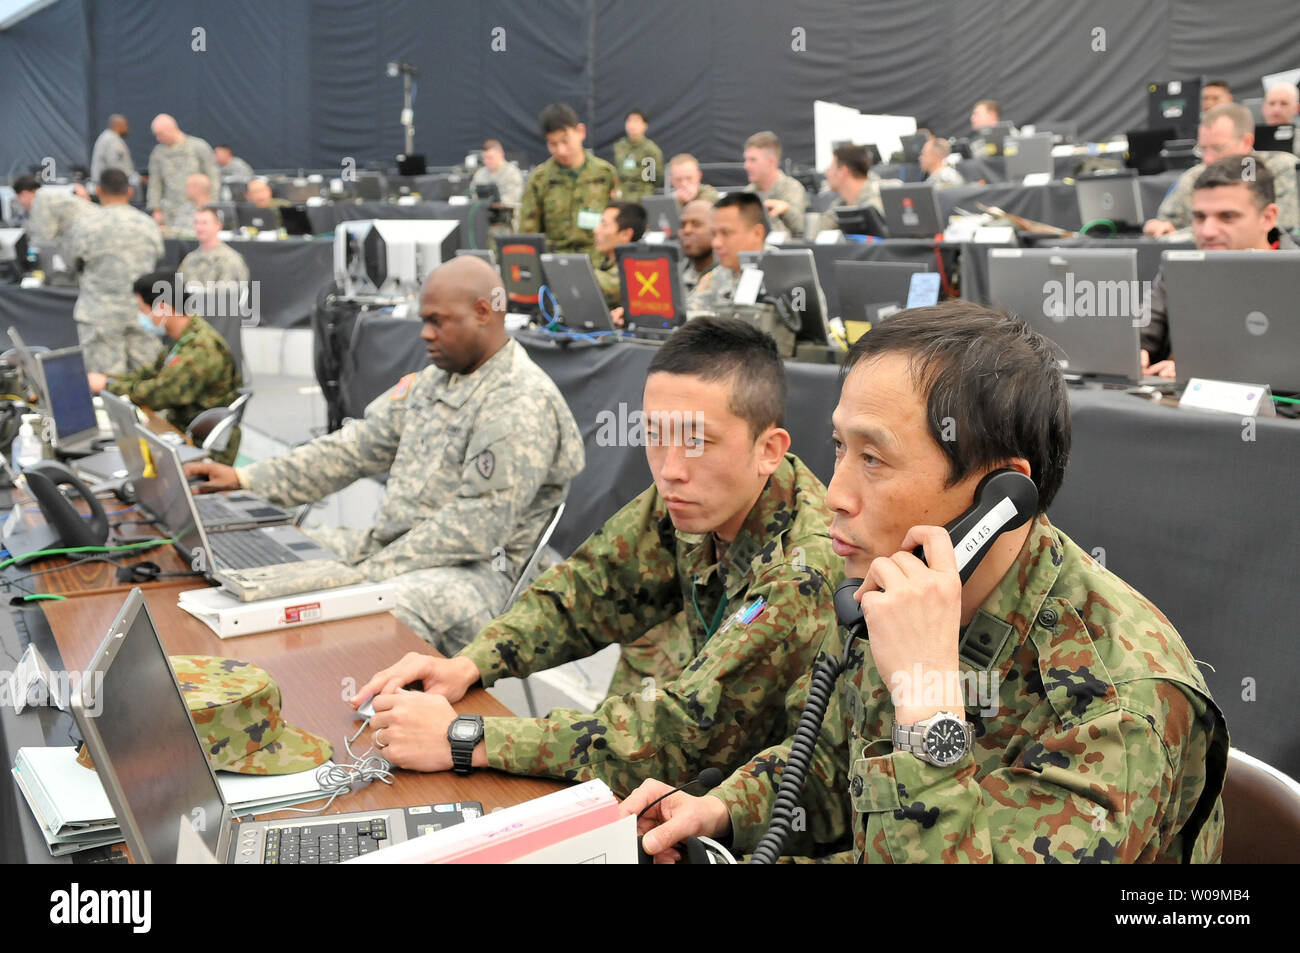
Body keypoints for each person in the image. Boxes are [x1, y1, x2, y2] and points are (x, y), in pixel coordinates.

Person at [627, 302, 1227, 864]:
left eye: (874, 459)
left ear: (998, 495)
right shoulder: (898, 590)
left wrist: (928, 702)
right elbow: (842, 765)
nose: (834, 495)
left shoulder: (1118, 701)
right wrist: (722, 809)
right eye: (840, 446)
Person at [353, 317, 840, 795]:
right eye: (655, 435)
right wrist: (471, 663)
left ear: (768, 451)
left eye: (697, 442)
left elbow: (683, 734)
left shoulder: (802, 571)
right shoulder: (693, 498)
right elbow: (582, 593)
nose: (670, 470)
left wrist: (468, 738)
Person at [184, 257, 584, 651]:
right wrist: (248, 480)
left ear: (483, 313)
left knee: (370, 615)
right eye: (423, 320)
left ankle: (349, 708)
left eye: (437, 321)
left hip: (478, 575)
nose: (425, 334)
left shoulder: (519, 401)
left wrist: (361, 576)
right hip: (395, 549)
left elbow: (475, 529)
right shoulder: (435, 381)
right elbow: (354, 449)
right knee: (264, 552)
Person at [1141, 156, 1294, 378]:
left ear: (1268, 218)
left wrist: (1206, 370)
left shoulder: (1293, 276)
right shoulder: (1179, 271)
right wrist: (1136, 353)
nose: (1207, 231)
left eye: (1227, 217)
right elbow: (1143, 330)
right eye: (1200, 217)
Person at [88, 269, 243, 464]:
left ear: (162, 307)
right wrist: (106, 380)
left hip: (195, 442)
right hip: (178, 430)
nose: (141, 316)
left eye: (143, 310)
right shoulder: (181, 339)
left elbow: (161, 393)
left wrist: (107, 386)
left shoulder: (200, 347)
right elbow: (148, 375)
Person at [63, 170, 165, 375]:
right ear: (129, 191)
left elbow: (69, 264)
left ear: (99, 191)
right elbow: (158, 258)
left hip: (100, 316)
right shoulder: (148, 224)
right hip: (140, 314)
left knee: (105, 388)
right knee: (145, 383)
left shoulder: (85, 225)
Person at [1143, 103, 1298, 235]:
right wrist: (1159, 228)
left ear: (1246, 142)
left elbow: (1282, 229)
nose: (1208, 158)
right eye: (1203, 149)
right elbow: (1167, 223)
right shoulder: (1193, 177)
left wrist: (1186, 234)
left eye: (1218, 148)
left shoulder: (1280, 168)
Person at [688, 192, 795, 356]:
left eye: (726, 233)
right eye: (714, 234)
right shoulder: (717, 275)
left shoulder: (789, 275)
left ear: (757, 233)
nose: (716, 243)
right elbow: (690, 317)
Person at [519, 103, 619, 259]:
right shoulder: (539, 179)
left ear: (580, 132)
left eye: (565, 141)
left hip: (598, 263)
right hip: (555, 263)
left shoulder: (605, 174)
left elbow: (618, 228)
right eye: (553, 144)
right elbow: (528, 234)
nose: (561, 150)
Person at [146, 114, 220, 234]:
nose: (158, 138)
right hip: (170, 210)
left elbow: (214, 177)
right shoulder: (158, 153)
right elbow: (155, 183)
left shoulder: (198, 147)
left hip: (196, 210)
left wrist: (212, 206)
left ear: (171, 129)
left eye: (160, 134)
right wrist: (156, 209)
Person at [743, 130, 807, 237]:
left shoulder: (791, 189)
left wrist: (786, 210)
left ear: (771, 161)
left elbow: (801, 227)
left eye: (753, 160)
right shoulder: (747, 194)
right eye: (746, 160)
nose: (746, 166)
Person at [13, 175, 94, 252]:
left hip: (90, 233)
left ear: (24, 194)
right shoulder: (46, 195)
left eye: (18, 198)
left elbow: (46, 237)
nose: (20, 203)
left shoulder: (40, 200)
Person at [816, 144, 884, 234]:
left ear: (842, 171)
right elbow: (819, 228)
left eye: (829, 169)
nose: (827, 174)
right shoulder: (842, 204)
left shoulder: (876, 202)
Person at [179, 206, 250, 288]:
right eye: (196, 223)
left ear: (218, 226)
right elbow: (179, 292)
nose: (199, 227)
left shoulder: (230, 259)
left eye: (204, 223)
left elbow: (228, 298)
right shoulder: (190, 259)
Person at [592, 200, 646, 309]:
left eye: (604, 225)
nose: (596, 230)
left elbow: (595, 286)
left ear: (626, 234)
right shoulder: (608, 262)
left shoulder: (635, 272)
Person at [470, 138, 524, 232]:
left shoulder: (512, 173)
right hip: (484, 217)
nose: (487, 161)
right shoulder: (480, 174)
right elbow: (472, 193)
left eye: (490, 157)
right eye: (485, 158)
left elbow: (514, 197)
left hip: (507, 218)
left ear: (501, 155)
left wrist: (494, 203)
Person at [612, 110, 665, 203]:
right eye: (629, 121)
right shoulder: (619, 147)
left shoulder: (650, 150)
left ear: (645, 125)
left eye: (636, 121)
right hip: (621, 195)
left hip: (642, 195)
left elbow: (656, 178)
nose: (632, 125)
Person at [677, 198, 716, 294]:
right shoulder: (674, 274)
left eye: (696, 224)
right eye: (682, 225)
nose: (687, 230)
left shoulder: (727, 275)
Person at [90, 114, 135, 185]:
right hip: (110, 185)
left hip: (105, 183)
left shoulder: (107, 137)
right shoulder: (112, 140)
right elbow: (116, 166)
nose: (127, 128)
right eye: (126, 125)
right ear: (118, 126)